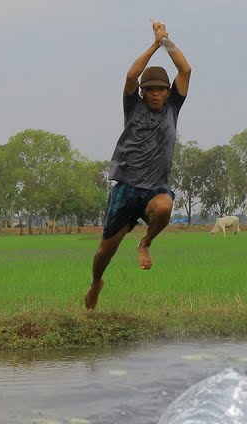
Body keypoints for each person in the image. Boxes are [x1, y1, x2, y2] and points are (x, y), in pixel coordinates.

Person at [84, 19, 191, 310]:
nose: (155, 93)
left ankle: (145, 243)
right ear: (143, 93)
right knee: (104, 252)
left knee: (165, 207)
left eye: (160, 89)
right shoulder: (133, 105)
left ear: (168, 92)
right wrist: (154, 44)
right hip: (126, 189)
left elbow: (186, 70)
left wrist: (167, 41)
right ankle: (96, 283)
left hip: (155, 188)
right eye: (150, 89)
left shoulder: (173, 108)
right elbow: (131, 76)